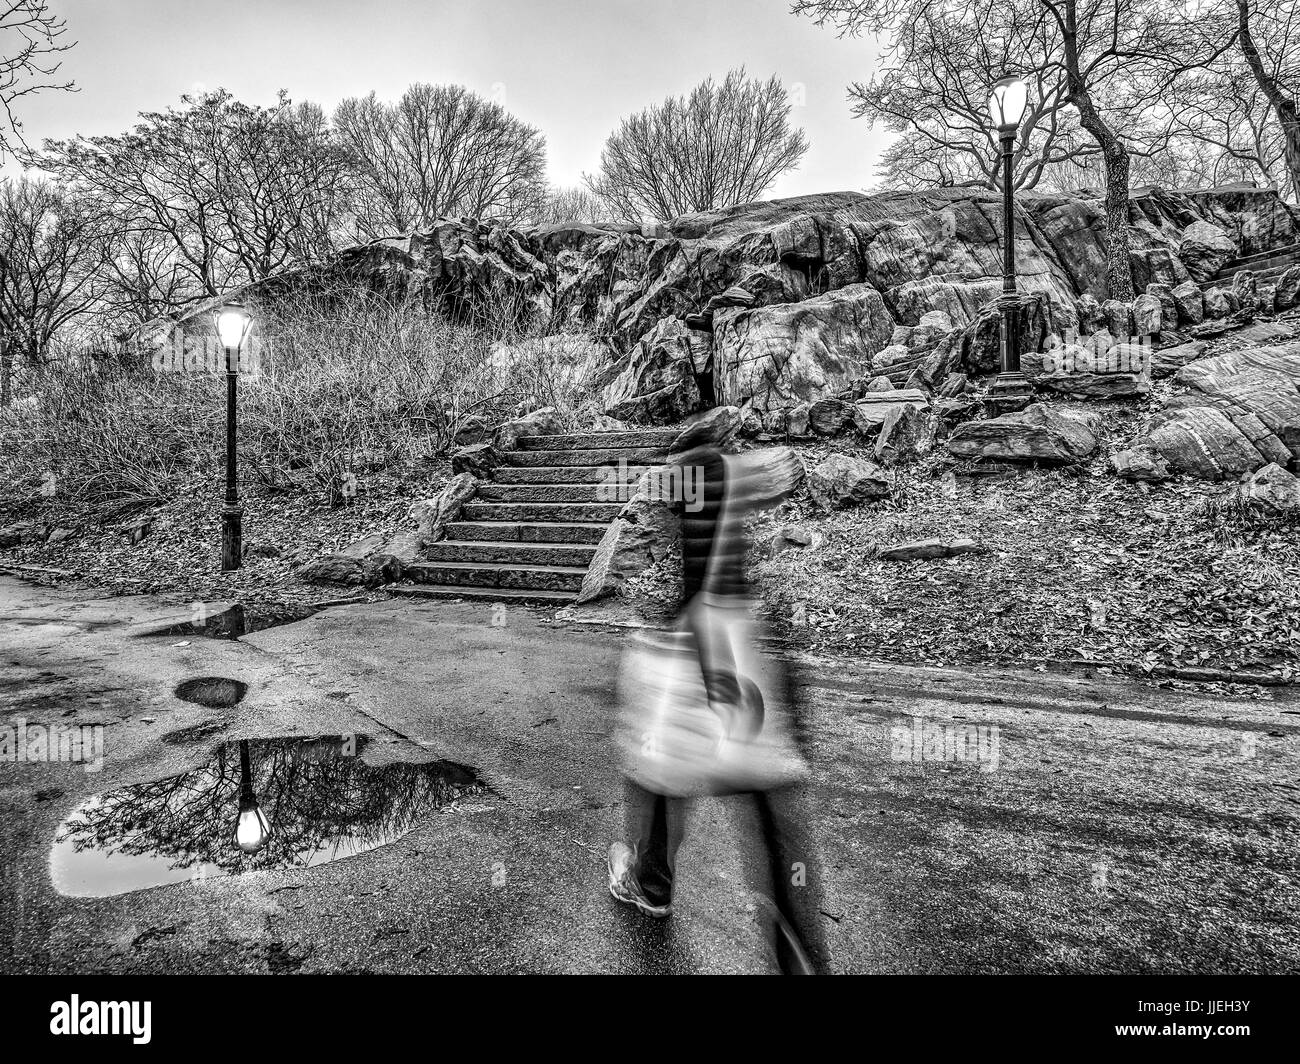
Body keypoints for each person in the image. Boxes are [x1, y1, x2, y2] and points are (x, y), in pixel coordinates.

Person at [606, 422, 824, 973]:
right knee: (769, 805)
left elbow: (697, 563)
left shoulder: (696, 474)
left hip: (704, 646)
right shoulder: (729, 475)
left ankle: (651, 882)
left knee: (659, 767)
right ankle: (798, 952)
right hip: (739, 640)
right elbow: (768, 477)